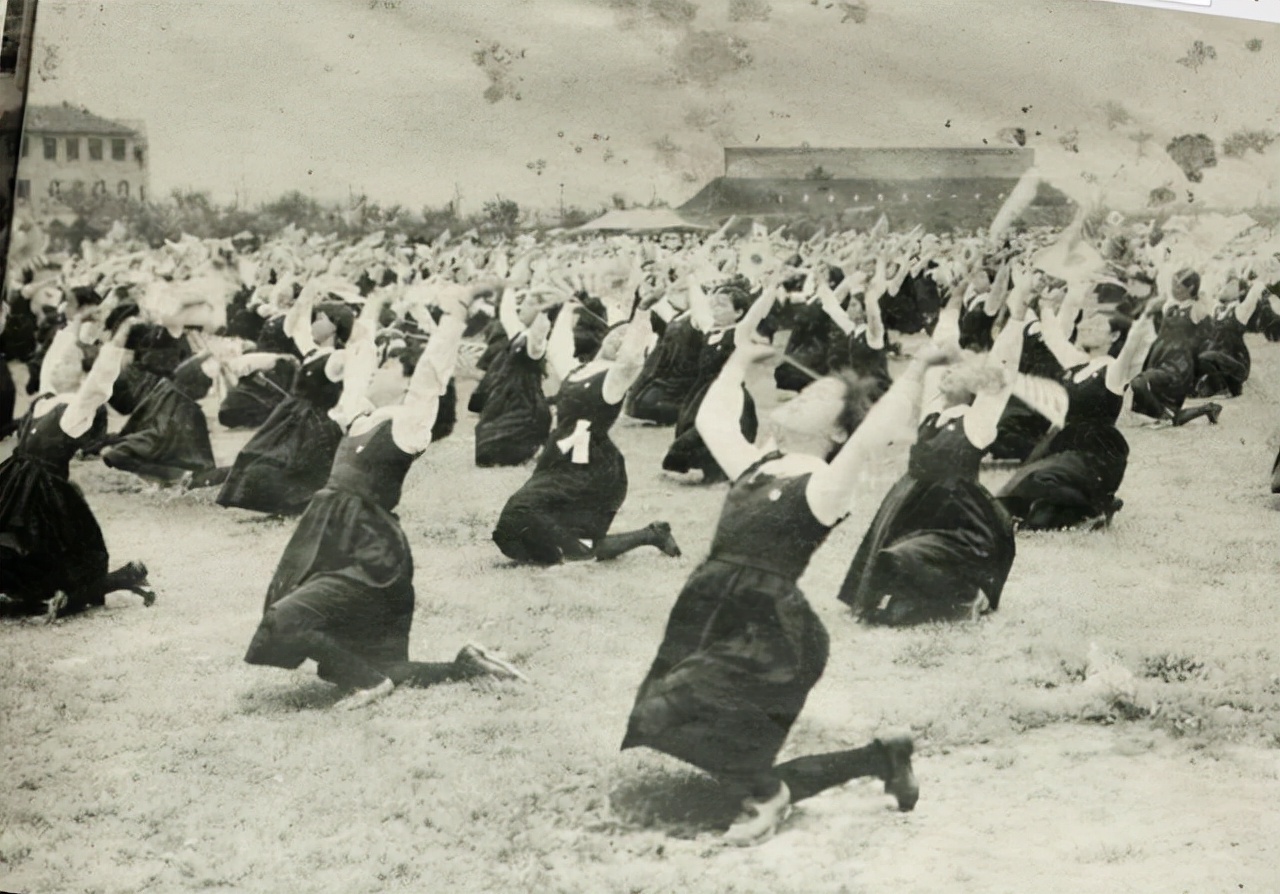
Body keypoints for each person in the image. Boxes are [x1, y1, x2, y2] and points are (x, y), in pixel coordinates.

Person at [623, 290, 935, 847]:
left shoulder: (825, 485)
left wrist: (916, 371)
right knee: (667, 717)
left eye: (822, 396)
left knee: (690, 706)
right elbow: (713, 419)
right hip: (716, 604)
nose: (806, 391)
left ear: (835, 432)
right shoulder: (757, 464)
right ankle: (879, 757)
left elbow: (871, 435)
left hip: (771, 629)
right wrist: (739, 360)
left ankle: (767, 796)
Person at [244, 282, 525, 708]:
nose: (376, 371)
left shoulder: (408, 423)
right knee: (352, 659)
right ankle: (465, 664)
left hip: (371, 551)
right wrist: (374, 305)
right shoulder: (358, 416)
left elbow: (433, 368)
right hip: (329, 536)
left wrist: (458, 310)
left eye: (388, 366)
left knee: (286, 618)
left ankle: (370, 685)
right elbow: (359, 354)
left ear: (406, 380)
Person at [835, 271, 1042, 626]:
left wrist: (1018, 315)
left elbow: (1004, 366)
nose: (948, 373)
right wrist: (954, 303)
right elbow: (942, 345)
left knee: (913, 564)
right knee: (892, 592)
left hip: (958, 517)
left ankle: (966, 594)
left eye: (958, 372)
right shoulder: (932, 413)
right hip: (910, 503)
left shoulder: (977, 422)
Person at [492, 307, 682, 564]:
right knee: (513, 529)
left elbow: (630, 360)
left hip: (593, 469)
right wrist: (563, 308)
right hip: (559, 459)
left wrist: (642, 313)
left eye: (627, 338)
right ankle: (651, 534)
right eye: (618, 332)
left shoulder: (615, 378)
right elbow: (557, 347)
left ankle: (636, 538)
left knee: (530, 516)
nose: (620, 339)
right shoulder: (577, 370)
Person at [0, 317, 155, 620]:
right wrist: (74, 326)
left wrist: (116, 341)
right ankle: (121, 578)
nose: (60, 365)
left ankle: (125, 577)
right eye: (60, 360)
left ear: (80, 371)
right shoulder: (44, 399)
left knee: (41, 564)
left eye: (70, 362)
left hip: (47, 500)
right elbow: (51, 361)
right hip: (16, 486)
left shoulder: (75, 410)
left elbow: (97, 385)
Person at [210, 286, 354, 512]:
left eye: (320, 319)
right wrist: (307, 294)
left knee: (284, 464)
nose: (313, 324)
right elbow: (294, 326)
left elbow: (355, 385)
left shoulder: (339, 358)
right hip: (290, 416)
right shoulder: (313, 352)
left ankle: (299, 503)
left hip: (313, 424)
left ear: (335, 326)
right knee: (255, 456)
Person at [1128, 267, 1222, 427]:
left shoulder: (1196, 309)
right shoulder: (1170, 307)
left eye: (1178, 286)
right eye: (1173, 284)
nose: (1173, 289)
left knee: (1139, 384)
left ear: (1190, 288)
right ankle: (1208, 409)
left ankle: (1166, 417)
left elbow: (1212, 335)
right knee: (1166, 409)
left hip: (1178, 365)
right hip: (1159, 359)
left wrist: (1196, 360)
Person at [473, 288, 553, 468]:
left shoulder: (535, 344)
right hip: (507, 399)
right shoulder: (519, 333)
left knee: (493, 452)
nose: (520, 308)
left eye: (527, 305)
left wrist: (545, 306)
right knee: (484, 445)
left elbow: (541, 329)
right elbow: (507, 313)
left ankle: (533, 448)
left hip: (525, 406)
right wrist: (510, 284)